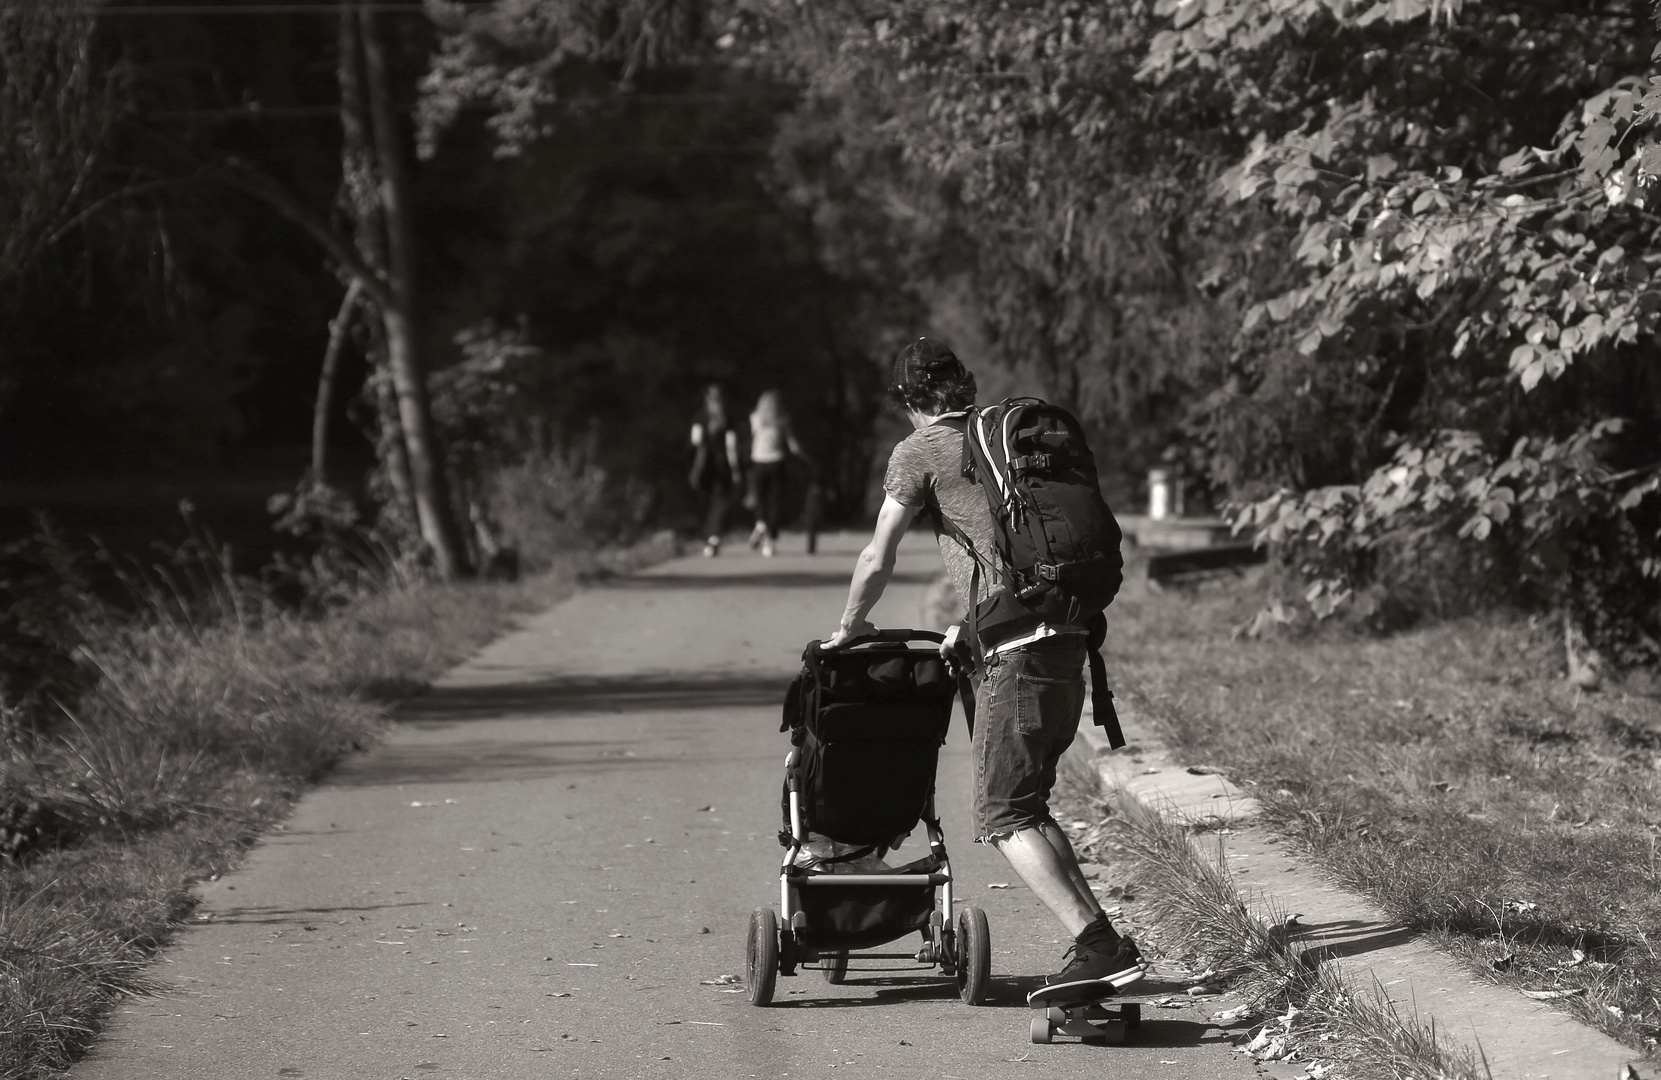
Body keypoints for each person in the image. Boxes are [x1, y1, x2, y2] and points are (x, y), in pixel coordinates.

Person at [825, 337, 1143, 995]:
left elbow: (876, 556)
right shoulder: (1009, 441)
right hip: (1064, 632)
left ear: (906, 400)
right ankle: (1101, 938)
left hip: (1014, 649)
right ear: (963, 385)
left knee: (1002, 814)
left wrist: (847, 629)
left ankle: (1098, 944)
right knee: (1026, 803)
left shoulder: (918, 451)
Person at [745, 389, 807, 557]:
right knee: (774, 500)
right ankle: (769, 542)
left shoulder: (755, 418)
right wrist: (804, 457)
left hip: (758, 461)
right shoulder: (782, 420)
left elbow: (751, 438)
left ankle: (760, 524)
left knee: (759, 497)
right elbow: (792, 444)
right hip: (776, 462)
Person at [688, 383, 742, 557]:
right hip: (722, 466)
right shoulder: (727, 419)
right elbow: (731, 446)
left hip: (703, 466)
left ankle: (707, 539)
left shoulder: (700, 417)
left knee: (704, 503)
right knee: (720, 503)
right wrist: (735, 470)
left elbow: (695, 441)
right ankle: (714, 536)